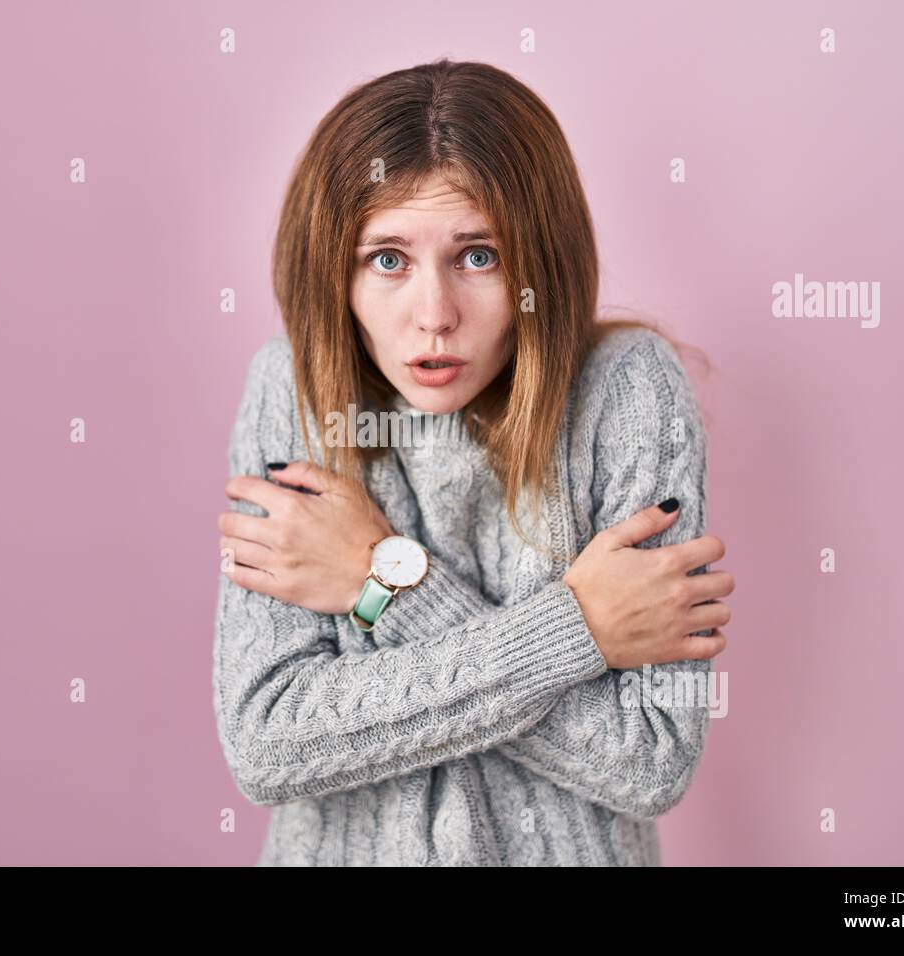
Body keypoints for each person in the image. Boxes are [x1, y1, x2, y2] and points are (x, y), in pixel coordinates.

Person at [213, 58, 734, 866]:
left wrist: (376, 582)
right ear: (335, 272)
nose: (435, 316)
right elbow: (269, 740)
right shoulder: (293, 388)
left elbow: (648, 758)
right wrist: (581, 628)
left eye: (479, 256)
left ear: (540, 261)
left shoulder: (625, 391)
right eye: (387, 259)